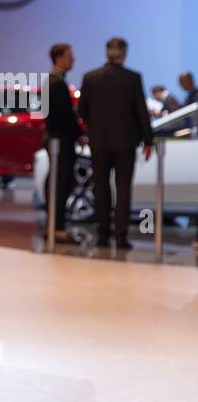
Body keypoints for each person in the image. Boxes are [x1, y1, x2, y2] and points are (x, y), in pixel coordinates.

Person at [77, 38, 154, 248]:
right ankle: (121, 236)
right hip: (125, 142)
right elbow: (141, 111)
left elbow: (81, 110)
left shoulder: (90, 77)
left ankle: (102, 234)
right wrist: (148, 140)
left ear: (106, 53)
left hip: (99, 141)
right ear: (124, 54)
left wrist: (94, 127)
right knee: (123, 189)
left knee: (100, 188)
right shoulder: (133, 78)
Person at [43, 43, 80, 243]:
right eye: (69, 55)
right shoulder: (55, 82)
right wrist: (79, 132)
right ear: (59, 58)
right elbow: (64, 117)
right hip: (61, 140)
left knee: (57, 182)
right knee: (60, 183)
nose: (72, 59)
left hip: (57, 139)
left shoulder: (52, 80)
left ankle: (55, 225)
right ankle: (57, 227)